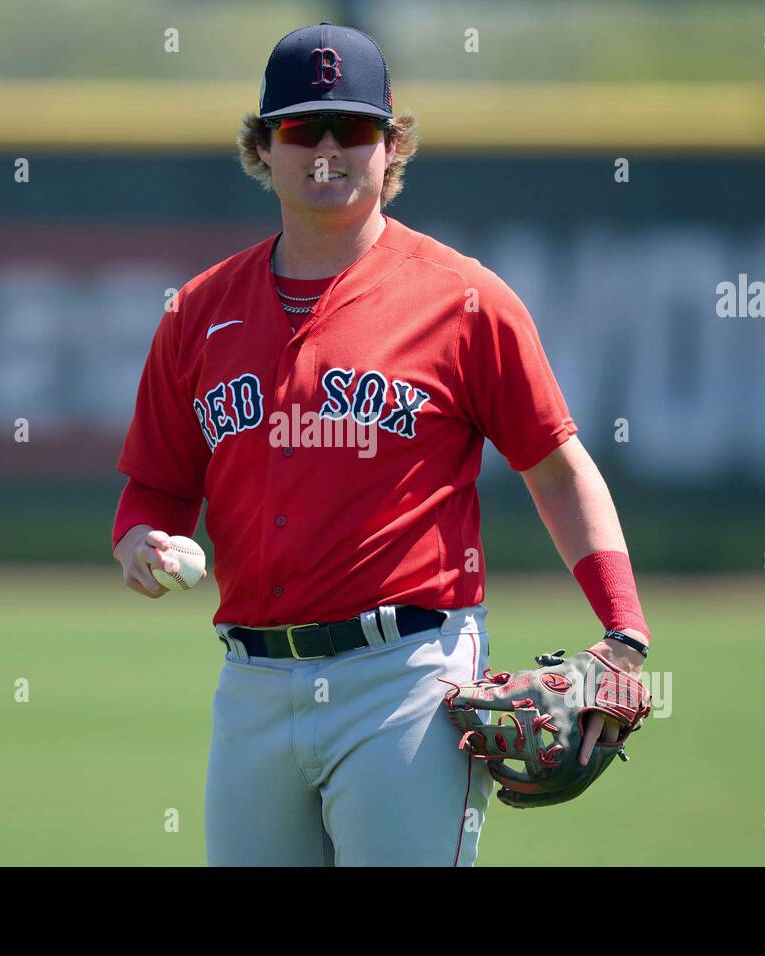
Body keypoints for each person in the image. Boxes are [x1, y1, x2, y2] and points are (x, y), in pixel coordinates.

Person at [112, 22, 651, 866]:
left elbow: (555, 467)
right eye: (302, 128)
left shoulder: (465, 301)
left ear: (392, 145)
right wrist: (138, 540)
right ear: (263, 144)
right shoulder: (197, 312)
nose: (328, 148)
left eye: (353, 128)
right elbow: (155, 486)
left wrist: (624, 634)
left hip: (404, 678)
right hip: (249, 683)